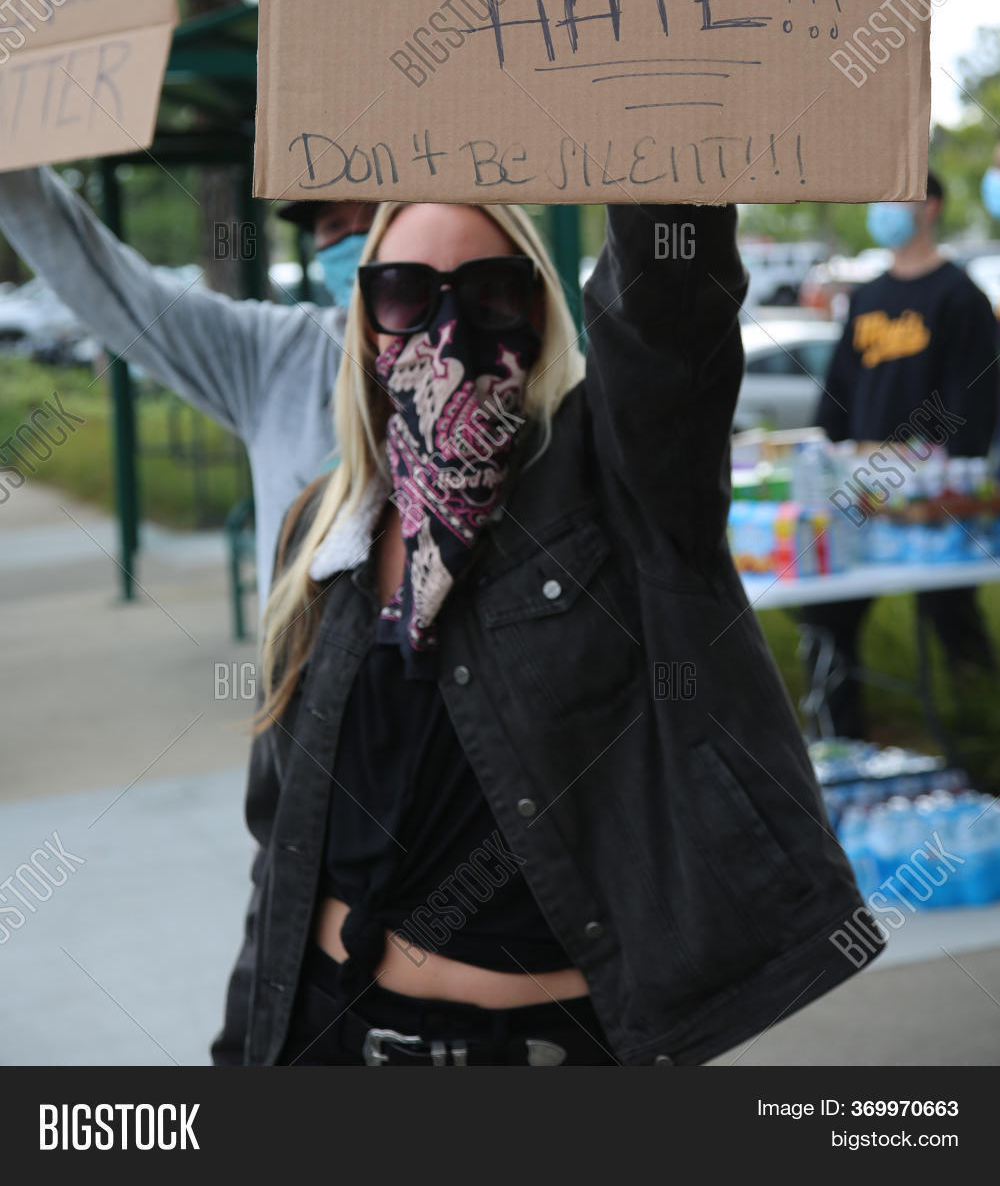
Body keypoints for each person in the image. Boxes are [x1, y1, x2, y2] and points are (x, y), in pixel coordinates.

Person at [211, 196, 882, 1068]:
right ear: (367, 321)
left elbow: (668, 315)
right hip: (325, 1036)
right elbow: (283, 843)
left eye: (487, 290)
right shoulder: (326, 529)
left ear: (536, 309)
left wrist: (660, 154)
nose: (447, 327)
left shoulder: (611, 479)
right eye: (406, 291)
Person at [0, 165, 372, 608]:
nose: (356, 240)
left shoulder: (450, 361)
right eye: (333, 227)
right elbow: (112, 284)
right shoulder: (275, 352)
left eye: (374, 218)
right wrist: (13, 166)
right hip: (303, 648)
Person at [800, 170, 998, 738]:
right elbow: (838, 394)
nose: (882, 209)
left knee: (949, 612)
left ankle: (982, 736)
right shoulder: (867, 297)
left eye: (896, 197)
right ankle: (840, 744)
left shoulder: (960, 296)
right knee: (827, 615)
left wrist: (922, 462)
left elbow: (972, 398)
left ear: (930, 206)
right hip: (858, 485)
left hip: (931, 490)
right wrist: (836, 450)